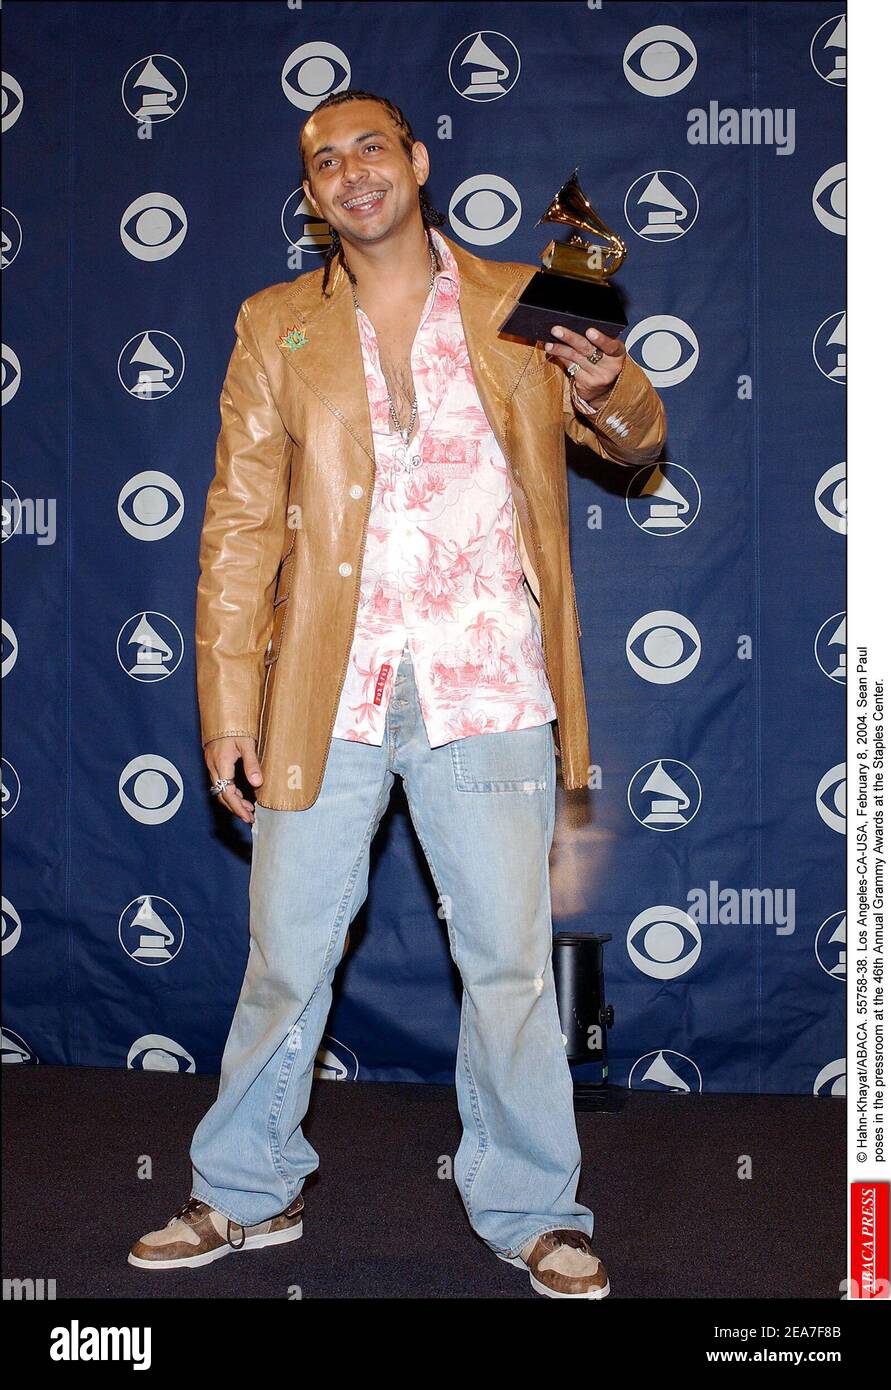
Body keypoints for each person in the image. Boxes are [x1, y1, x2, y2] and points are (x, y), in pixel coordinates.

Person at [128, 89, 666, 1299]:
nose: (352, 170)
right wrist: (226, 704)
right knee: (285, 957)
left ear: (418, 161)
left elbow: (636, 445)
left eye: (373, 145)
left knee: (513, 968)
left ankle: (532, 1206)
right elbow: (238, 523)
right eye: (326, 160)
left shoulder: (523, 303)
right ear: (312, 196)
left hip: (490, 685)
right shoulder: (274, 324)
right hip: (330, 692)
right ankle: (246, 1191)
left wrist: (609, 383)